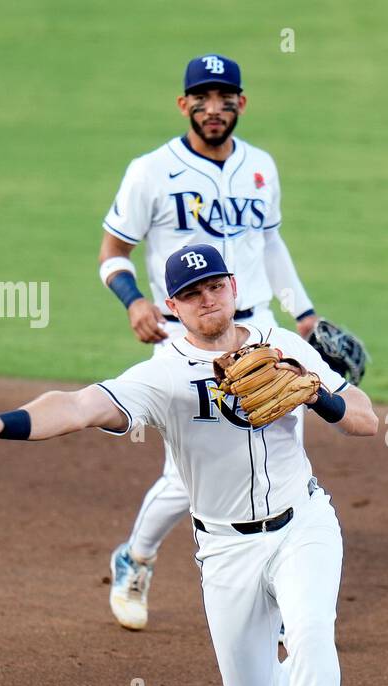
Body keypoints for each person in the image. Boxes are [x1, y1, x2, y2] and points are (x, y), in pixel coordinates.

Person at [0, 243, 378, 686]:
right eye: (190, 295)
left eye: (215, 288)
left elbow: (365, 416)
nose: (207, 301)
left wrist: (319, 395)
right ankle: (308, 673)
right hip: (226, 549)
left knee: (312, 636)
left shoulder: (282, 343)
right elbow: (76, 405)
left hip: (304, 524)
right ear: (174, 307)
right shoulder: (162, 375)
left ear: (233, 287)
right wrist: (7, 423)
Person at [99, 53, 366, 631]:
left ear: (241, 103)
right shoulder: (149, 172)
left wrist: (305, 313)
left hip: (259, 330)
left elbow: (271, 245)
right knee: (185, 472)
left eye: (225, 98)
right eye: (202, 97)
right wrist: (135, 302)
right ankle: (136, 557)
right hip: (186, 332)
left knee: (277, 442)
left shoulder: (261, 167)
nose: (213, 108)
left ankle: (285, 590)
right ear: (183, 104)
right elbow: (111, 255)